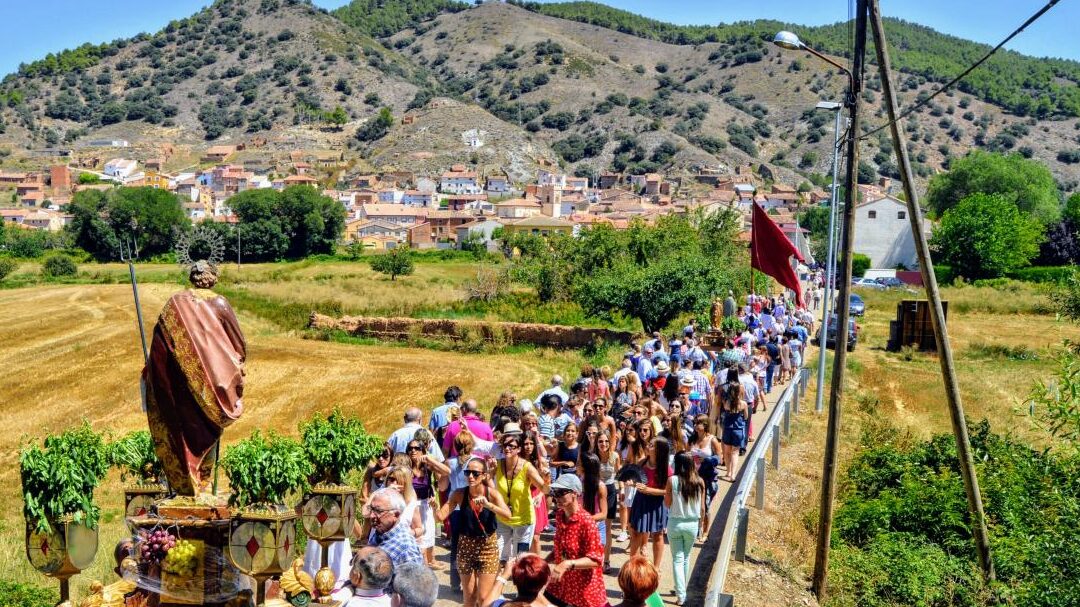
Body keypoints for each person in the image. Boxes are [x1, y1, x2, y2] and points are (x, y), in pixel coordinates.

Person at [143, 260, 246, 496]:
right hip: (210, 388)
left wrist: (154, 369)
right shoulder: (219, 303)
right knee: (207, 429)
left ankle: (187, 487)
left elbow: (160, 345)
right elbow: (238, 345)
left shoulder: (175, 304)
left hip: (176, 385)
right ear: (212, 278)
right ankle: (203, 484)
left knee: (180, 428)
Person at [438, 457, 512, 607]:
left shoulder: (492, 494)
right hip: (466, 546)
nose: (470, 476)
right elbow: (440, 516)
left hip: (488, 547)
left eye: (475, 473)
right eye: (467, 472)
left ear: (484, 475)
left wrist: (488, 505)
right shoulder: (459, 494)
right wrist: (433, 507)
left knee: (484, 599)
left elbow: (508, 515)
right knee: (470, 598)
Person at [544, 474, 607, 607]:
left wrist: (566, 564)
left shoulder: (586, 522)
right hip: (562, 583)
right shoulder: (560, 515)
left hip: (584, 587)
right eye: (555, 492)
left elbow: (596, 560)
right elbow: (561, 548)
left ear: (575, 493)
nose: (557, 497)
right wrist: (544, 561)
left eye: (561, 492)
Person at [496, 432, 550, 562]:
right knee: (500, 558)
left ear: (519, 449)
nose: (507, 448)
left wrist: (546, 478)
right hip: (503, 519)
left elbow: (545, 489)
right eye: (505, 445)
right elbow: (486, 482)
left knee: (520, 559)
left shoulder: (527, 467)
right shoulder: (497, 464)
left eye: (512, 446)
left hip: (523, 521)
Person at [665, 452, 706, 606]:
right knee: (686, 557)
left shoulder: (672, 481)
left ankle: (681, 594)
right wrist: (701, 525)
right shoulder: (700, 481)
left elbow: (667, 504)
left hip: (675, 523)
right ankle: (681, 588)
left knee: (677, 558)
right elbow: (702, 508)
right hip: (692, 524)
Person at [406, 437, 450, 570]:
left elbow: (446, 471)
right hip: (411, 507)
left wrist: (430, 459)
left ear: (422, 450)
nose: (413, 451)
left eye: (417, 448)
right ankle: (422, 565)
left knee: (429, 535)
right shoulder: (405, 467)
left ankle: (429, 561)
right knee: (417, 539)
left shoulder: (427, 466)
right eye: (410, 448)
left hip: (426, 505)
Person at [629, 436, 671, 570]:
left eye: (651, 445)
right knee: (636, 533)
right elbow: (636, 479)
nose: (647, 446)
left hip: (657, 504)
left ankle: (656, 568)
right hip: (641, 501)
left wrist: (649, 490)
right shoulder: (642, 462)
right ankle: (633, 567)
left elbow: (667, 491)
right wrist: (632, 483)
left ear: (659, 450)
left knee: (657, 535)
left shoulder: (666, 469)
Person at [444, 428, 478, 591]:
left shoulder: (450, 462)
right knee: (474, 545)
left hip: (454, 507)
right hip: (472, 506)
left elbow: (443, 485)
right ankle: (473, 580)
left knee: (456, 546)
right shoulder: (476, 461)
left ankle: (454, 581)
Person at [366, 488, 424, 566]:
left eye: (378, 511)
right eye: (371, 509)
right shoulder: (380, 533)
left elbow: (415, 577)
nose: (372, 515)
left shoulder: (406, 549)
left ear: (396, 514)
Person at [481, 554, 554, 607]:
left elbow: (486, 604)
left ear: (514, 581)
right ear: (546, 581)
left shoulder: (502, 604)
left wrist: (504, 576)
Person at [521, 431, 551, 553]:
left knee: (535, 537)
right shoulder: (518, 461)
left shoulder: (541, 462)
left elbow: (548, 483)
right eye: (525, 443)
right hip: (522, 499)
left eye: (531, 443)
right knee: (523, 536)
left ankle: (538, 569)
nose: (528, 446)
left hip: (536, 498)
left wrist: (540, 495)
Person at [577, 452, 608, 569]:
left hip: (596, 527)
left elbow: (603, 514)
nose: (576, 465)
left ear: (585, 467)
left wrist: (585, 518)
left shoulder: (600, 486)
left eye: (579, 464)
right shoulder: (578, 481)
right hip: (580, 527)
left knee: (595, 564)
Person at [595, 430, 620, 570]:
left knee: (607, 527)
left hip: (610, 490)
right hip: (596, 491)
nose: (603, 444)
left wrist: (621, 489)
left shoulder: (615, 456)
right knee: (596, 526)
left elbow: (618, 474)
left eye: (606, 441)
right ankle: (595, 558)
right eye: (600, 441)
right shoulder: (593, 457)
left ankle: (606, 560)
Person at [719, 383, 747, 483]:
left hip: (727, 429)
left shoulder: (726, 402)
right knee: (735, 453)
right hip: (738, 430)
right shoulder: (743, 404)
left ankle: (728, 471)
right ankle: (733, 475)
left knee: (726, 452)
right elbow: (746, 417)